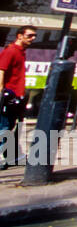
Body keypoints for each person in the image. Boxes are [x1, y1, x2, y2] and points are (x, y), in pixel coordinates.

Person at [0, 26, 37, 168]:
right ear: (19, 36)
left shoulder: (21, 52)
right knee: (4, 127)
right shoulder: (11, 51)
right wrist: (1, 93)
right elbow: (1, 71)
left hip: (17, 97)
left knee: (10, 127)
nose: (33, 38)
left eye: (34, 36)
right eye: (30, 35)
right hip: (9, 95)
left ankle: (12, 156)